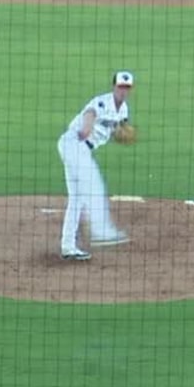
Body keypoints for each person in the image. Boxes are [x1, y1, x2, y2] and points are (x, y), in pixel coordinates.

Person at [56, 71, 135, 261]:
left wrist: (122, 134)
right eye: (120, 87)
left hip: (79, 149)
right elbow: (90, 113)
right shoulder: (102, 102)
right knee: (94, 185)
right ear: (114, 86)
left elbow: (119, 127)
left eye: (127, 88)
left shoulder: (123, 109)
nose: (123, 91)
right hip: (74, 143)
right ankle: (102, 232)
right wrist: (86, 128)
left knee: (77, 199)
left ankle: (68, 247)